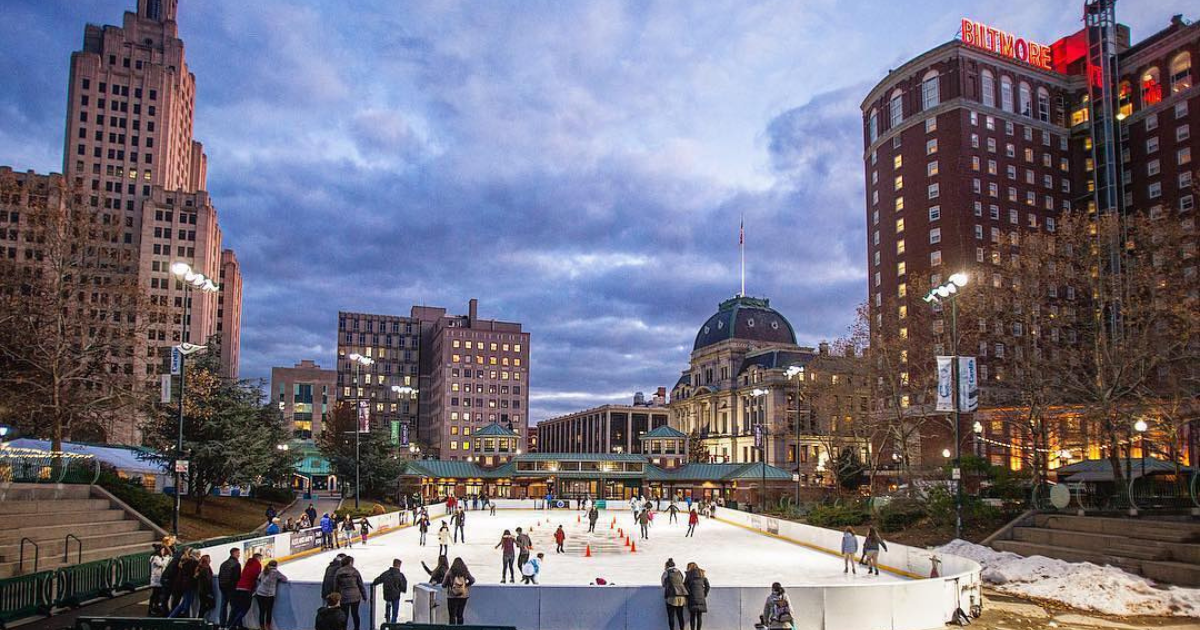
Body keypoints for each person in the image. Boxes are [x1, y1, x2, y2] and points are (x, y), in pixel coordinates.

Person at [227, 552, 262, 630]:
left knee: (238, 608)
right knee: (245, 608)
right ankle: (233, 624)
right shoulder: (257, 565)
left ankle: (235, 625)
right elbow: (257, 576)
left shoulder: (248, 564)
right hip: (246, 589)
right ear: (258, 558)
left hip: (238, 588)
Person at [335, 556, 367, 630]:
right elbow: (360, 585)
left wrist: (336, 597)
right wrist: (364, 596)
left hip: (344, 597)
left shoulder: (339, 572)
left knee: (344, 615)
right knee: (355, 614)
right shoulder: (355, 571)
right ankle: (357, 628)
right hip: (355, 597)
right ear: (350, 562)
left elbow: (336, 586)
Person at [253, 560, 287, 630]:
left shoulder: (264, 571)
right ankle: (268, 627)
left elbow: (259, 578)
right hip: (268, 595)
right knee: (269, 611)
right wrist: (277, 580)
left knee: (262, 612)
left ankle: (262, 627)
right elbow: (285, 579)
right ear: (276, 566)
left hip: (259, 593)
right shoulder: (275, 572)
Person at [441, 557, 475, 626]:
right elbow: (472, 580)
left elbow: (443, 585)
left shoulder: (450, 571)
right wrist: (465, 585)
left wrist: (450, 585)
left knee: (452, 616)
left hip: (452, 596)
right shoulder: (465, 571)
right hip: (463, 595)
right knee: (460, 615)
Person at [373, 559, 408, 624]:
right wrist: (402, 589)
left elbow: (377, 580)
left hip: (387, 595)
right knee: (395, 613)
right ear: (399, 565)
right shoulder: (400, 575)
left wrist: (373, 584)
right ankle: (393, 625)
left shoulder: (386, 573)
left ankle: (387, 621)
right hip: (396, 596)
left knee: (388, 607)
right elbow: (403, 586)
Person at [168, 549, 199, 618]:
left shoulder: (185, 562)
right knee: (185, 604)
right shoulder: (194, 562)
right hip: (190, 585)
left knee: (184, 602)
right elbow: (193, 574)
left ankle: (173, 616)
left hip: (184, 584)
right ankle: (174, 616)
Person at [217, 547, 242, 627]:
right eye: (238, 553)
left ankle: (222, 624)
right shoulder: (236, 564)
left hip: (223, 587)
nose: (239, 554)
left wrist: (221, 586)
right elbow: (237, 578)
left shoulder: (223, 563)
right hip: (231, 588)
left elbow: (220, 576)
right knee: (234, 607)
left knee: (223, 606)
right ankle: (230, 624)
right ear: (234, 553)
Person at [661, 558, 688, 630]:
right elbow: (682, 580)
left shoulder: (666, 572)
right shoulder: (678, 571)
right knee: (680, 615)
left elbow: (663, 583)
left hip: (672, 596)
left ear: (667, 566)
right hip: (682, 596)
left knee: (671, 616)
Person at [684, 563, 709, 630]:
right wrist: (704, 594)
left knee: (692, 616)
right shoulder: (701, 574)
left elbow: (685, 586)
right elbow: (708, 586)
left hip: (692, 597)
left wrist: (689, 594)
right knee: (699, 616)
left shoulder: (689, 575)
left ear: (690, 567)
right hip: (701, 597)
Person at [149, 545, 171, 616]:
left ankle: (156, 607)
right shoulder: (155, 558)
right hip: (156, 579)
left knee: (157, 594)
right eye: (162, 550)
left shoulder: (159, 557)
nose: (163, 552)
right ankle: (152, 608)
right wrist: (167, 559)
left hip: (158, 579)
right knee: (155, 594)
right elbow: (161, 564)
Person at [197, 555, 216, 622]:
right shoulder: (206, 569)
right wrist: (209, 593)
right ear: (207, 561)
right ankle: (201, 619)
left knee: (202, 606)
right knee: (210, 605)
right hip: (205, 591)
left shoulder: (201, 568)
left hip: (201, 591)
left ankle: (200, 619)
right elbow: (207, 581)